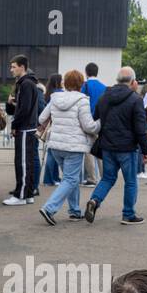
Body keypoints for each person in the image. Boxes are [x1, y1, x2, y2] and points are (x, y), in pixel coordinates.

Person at [84, 66, 147, 225]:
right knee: (131, 181)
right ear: (133, 82)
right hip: (127, 148)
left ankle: (94, 200)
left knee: (107, 178)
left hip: (107, 146)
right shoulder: (136, 99)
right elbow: (141, 128)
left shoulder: (104, 97)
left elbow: (96, 117)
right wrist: (146, 150)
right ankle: (128, 214)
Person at [38, 68, 100, 224]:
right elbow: (88, 126)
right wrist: (100, 122)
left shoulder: (54, 98)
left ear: (65, 83)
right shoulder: (82, 100)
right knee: (71, 179)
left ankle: (74, 211)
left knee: (69, 179)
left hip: (56, 145)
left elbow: (41, 118)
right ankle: (49, 208)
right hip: (74, 147)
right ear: (81, 84)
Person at [3, 55, 42, 206]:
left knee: (23, 163)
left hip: (25, 128)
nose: (11, 70)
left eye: (13, 67)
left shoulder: (25, 84)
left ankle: (21, 195)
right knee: (28, 162)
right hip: (28, 127)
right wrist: (13, 104)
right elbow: (24, 106)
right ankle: (28, 193)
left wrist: (14, 125)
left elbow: (24, 109)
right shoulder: (29, 83)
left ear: (22, 67)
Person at [81, 63, 107, 185]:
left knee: (88, 150)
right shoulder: (104, 87)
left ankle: (92, 178)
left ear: (86, 72)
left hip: (88, 120)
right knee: (100, 149)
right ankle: (105, 176)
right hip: (101, 121)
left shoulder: (85, 86)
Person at [39, 72, 63, 187]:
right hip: (57, 126)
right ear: (59, 82)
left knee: (51, 152)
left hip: (49, 127)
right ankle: (50, 178)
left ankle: (52, 178)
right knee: (52, 155)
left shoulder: (48, 94)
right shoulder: (60, 95)